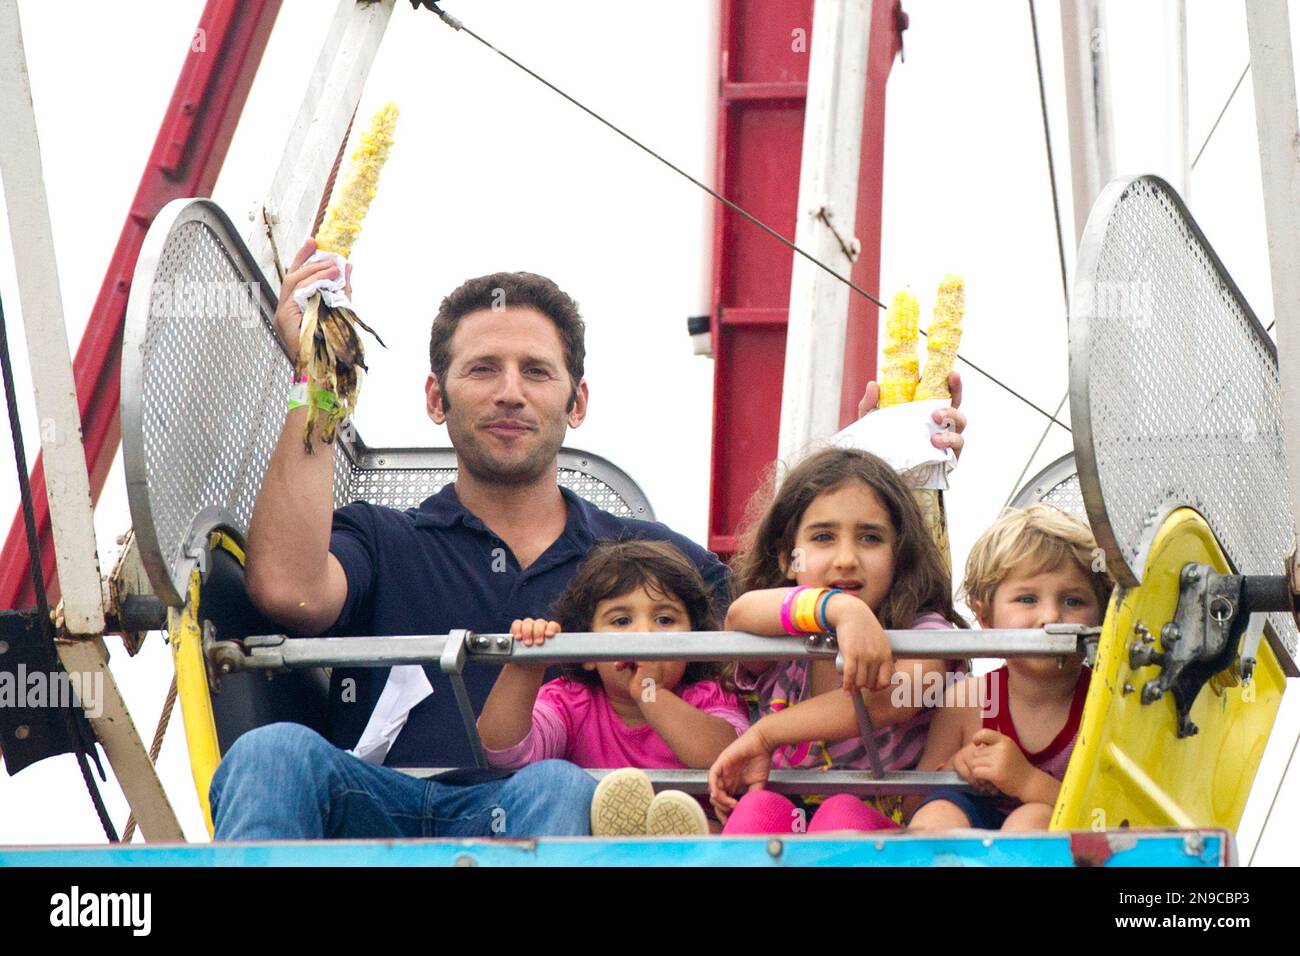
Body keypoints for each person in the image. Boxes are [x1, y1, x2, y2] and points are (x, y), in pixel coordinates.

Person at [210, 238, 968, 839]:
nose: (510, 391)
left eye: (536, 372)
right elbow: (289, 590)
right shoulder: (383, 536)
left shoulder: (649, 564)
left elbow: (800, 605)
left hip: (545, 816)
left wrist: (871, 467)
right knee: (272, 753)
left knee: (559, 786)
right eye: (483, 370)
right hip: (378, 804)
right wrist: (317, 379)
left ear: (577, 402)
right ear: (436, 399)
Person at [707, 446, 967, 834]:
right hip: (789, 819)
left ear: (900, 554)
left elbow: (891, 700)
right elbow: (739, 613)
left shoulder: (924, 632)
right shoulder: (779, 637)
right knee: (755, 811)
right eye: (824, 537)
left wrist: (765, 734)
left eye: (870, 538)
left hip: (889, 829)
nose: (846, 558)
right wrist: (839, 610)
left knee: (840, 814)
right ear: (787, 558)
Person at [477, 539, 749, 835]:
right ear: (588, 652)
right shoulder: (569, 701)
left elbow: (726, 756)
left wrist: (651, 694)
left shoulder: (711, 695)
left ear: (695, 640)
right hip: (594, 850)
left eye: (664, 619)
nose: (643, 635)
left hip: (693, 850)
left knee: (715, 830)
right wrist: (524, 668)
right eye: (621, 621)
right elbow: (503, 752)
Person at [907, 504, 1110, 831]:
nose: (1050, 617)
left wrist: (1027, 782)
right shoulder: (965, 701)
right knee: (939, 813)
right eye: (1027, 599)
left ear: (1102, 617)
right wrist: (955, 772)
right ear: (985, 616)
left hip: (1056, 835)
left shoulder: (1107, 705)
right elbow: (912, 803)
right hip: (971, 834)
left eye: (1073, 601)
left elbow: (1110, 818)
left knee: (1031, 820)